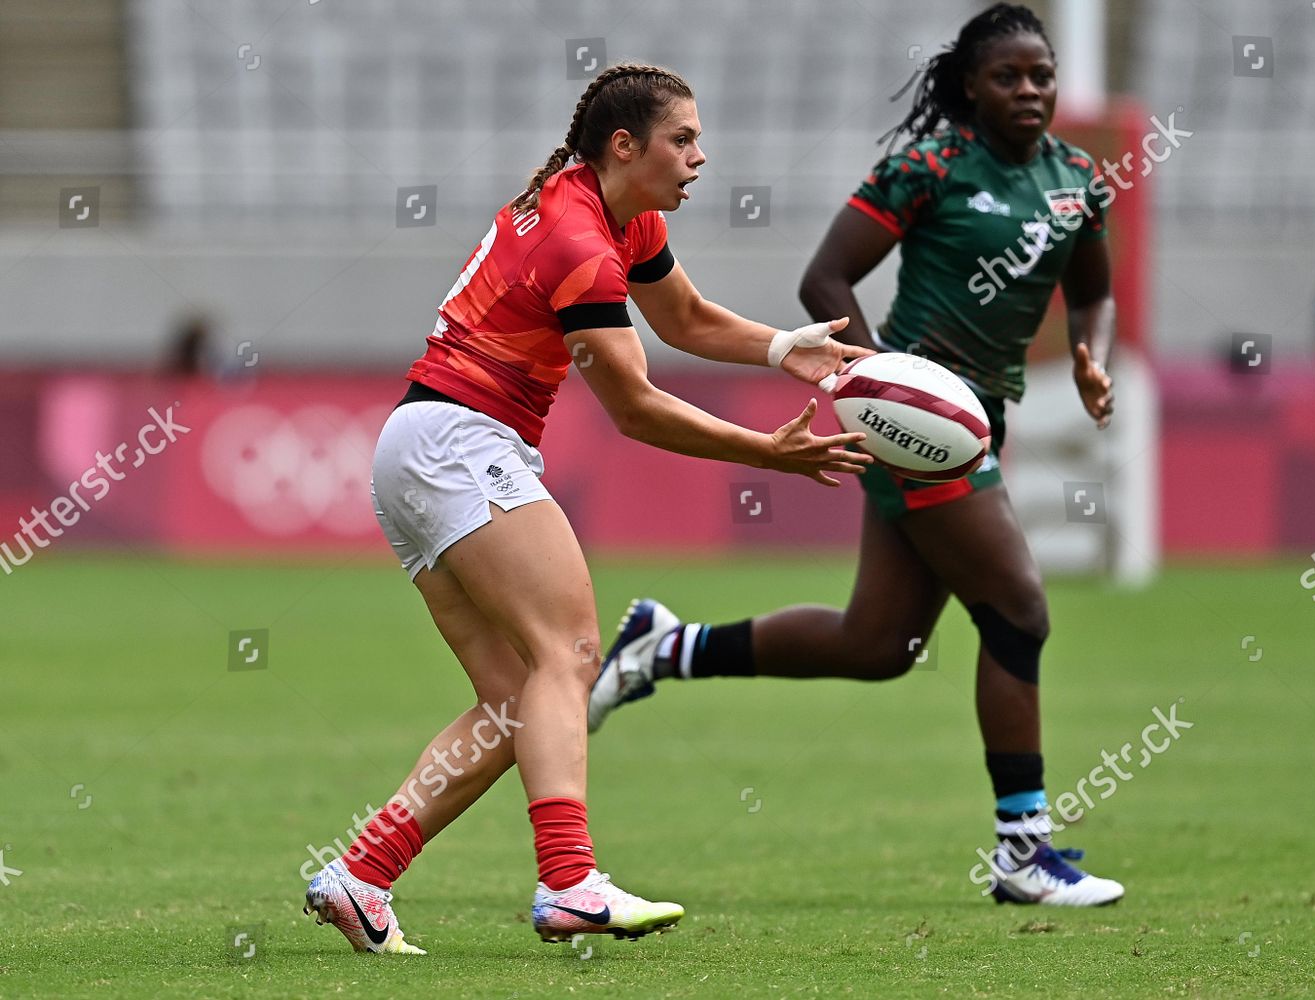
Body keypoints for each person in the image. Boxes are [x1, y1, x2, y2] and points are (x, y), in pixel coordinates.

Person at [301, 63, 872, 954]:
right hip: (460, 444)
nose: (700, 157)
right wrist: (767, 453)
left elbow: (678, 317)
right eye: (682, 139)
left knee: (514, 700)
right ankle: (569, 884)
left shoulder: (610, 208)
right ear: (624, 145)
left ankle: (362, 874)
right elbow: (635, 407)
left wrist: (779, 346)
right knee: (569, 652)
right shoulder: (576, 240)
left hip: (417, 446)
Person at [590, 4, 1124, 907]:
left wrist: (1090, 353)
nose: (1030, 90)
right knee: (1020, 611)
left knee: (879, 643)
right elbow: (823, 279)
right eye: (1008, 76)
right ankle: (1023, 851)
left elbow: (1092, 289)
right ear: (967, 86)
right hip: (922, 432)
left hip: (982, 416)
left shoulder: (1078, 179)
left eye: (1042, 75)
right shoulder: (928, 166)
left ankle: (664, 647)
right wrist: (886, 387)